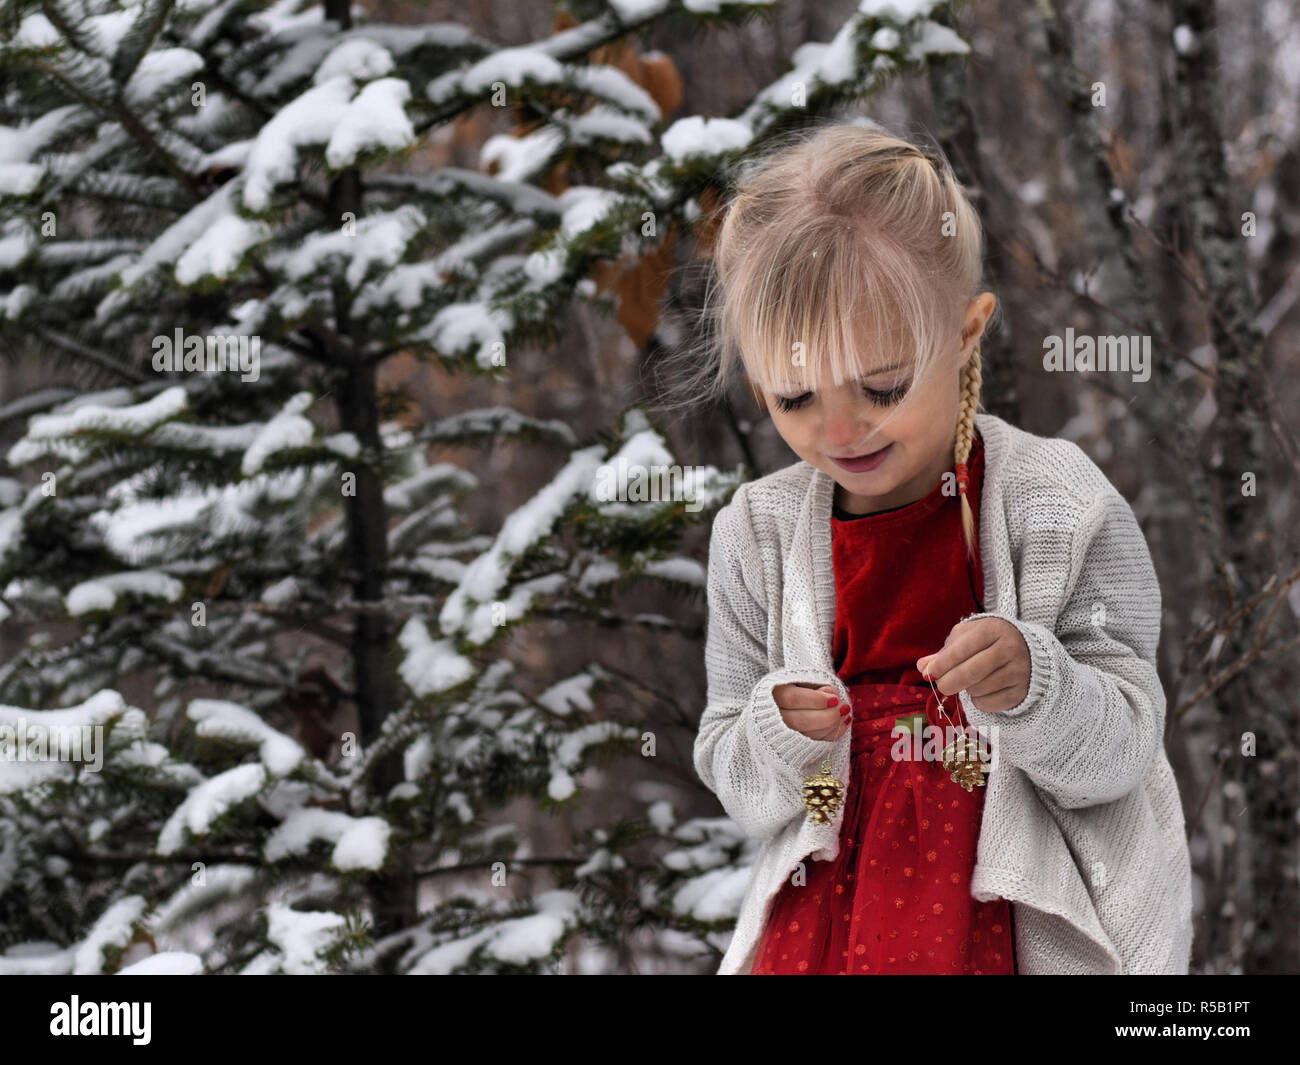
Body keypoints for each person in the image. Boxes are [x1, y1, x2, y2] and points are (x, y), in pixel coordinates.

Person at [686, 120, 1194, 975]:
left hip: (994, 908)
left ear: (966, 334)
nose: (840, 428)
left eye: (882, 385)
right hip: (826, 918)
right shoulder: (756, 532)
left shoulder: (1055, 503)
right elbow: (738, 780)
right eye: (795, 395)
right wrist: (774, 736)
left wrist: (1038, 686)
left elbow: (1125, 747)